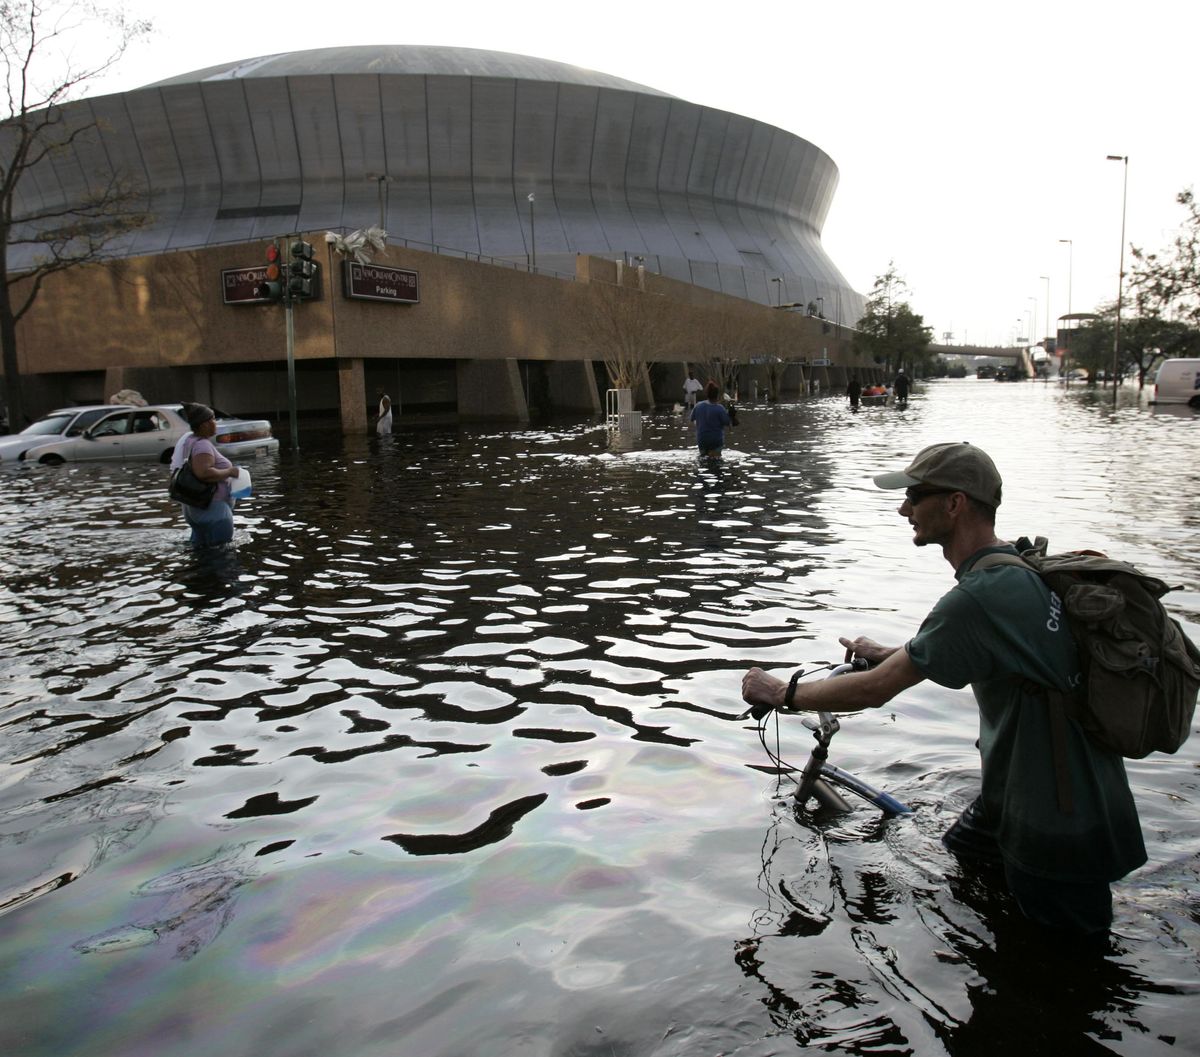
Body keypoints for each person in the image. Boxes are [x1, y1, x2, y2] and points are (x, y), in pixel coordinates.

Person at [741, 441, 1146, 939]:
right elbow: (981, 648)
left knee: (1067, 973)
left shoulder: (977, 598)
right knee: (968, 870)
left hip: (1054, 819)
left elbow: (874, 692)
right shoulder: (1012, 568)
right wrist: (892, 650)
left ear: (954, 504)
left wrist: (782, 692)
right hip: (1019, 797)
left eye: (915, 496)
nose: (903, 508)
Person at [171, 403, 239, 547]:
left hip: (196, 508)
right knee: (222, 556)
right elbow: (204, 473)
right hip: (214, 510)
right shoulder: (202, 445)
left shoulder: (190, 441)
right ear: (203, 424)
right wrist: (230, 472)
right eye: (213, 419)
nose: (215, 423)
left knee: (202, 552)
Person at [689, 380, 732, 458]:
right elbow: (727, 423)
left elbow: (692, 419)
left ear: (706, 394)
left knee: (703, 461)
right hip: (716, 442)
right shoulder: (720, 409)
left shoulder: (698, 406)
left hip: (702, 440)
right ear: (717, 395)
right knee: (715, 463)